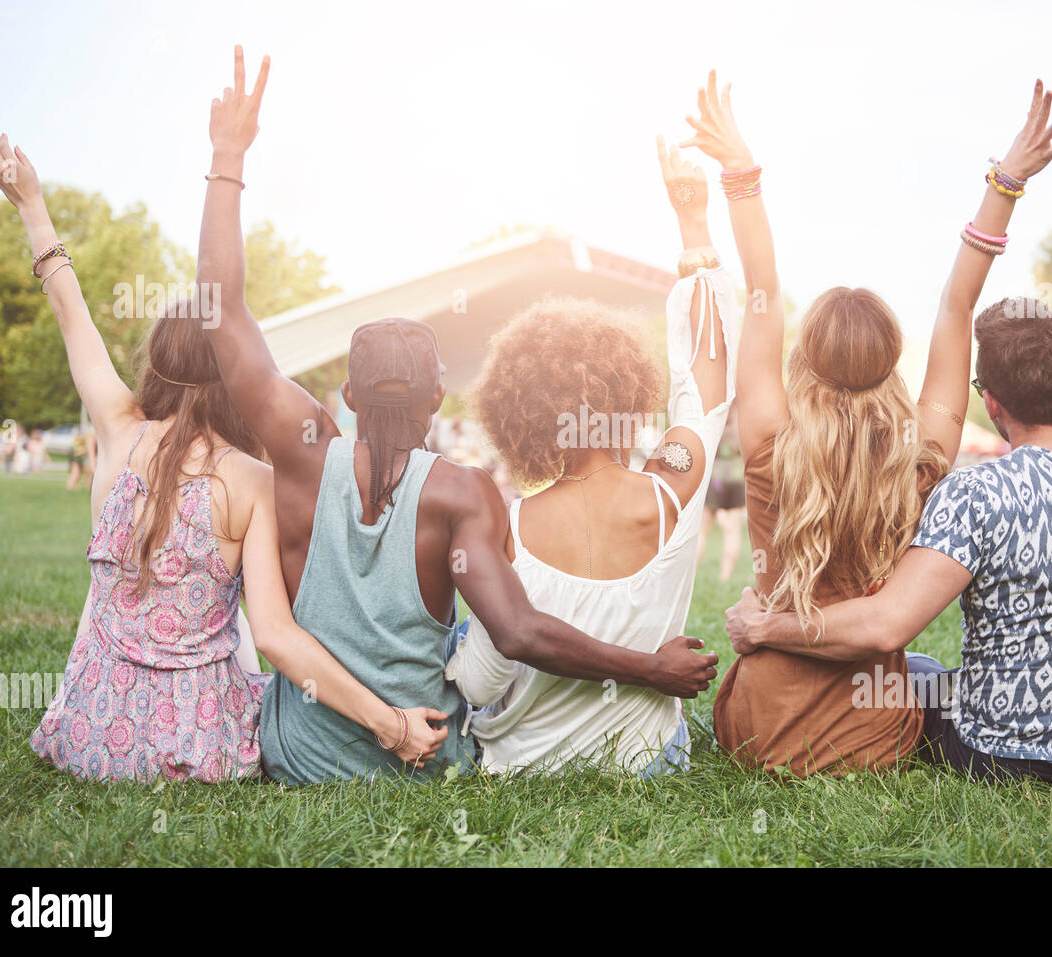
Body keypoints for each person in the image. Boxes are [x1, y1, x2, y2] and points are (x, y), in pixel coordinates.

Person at [196, 47, 718, 786]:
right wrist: (650, 668)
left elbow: (223, 317)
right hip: (417, 755)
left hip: (301, 753)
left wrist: (226, 160)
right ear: (438, 398)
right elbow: (518, 631)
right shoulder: (461, 491)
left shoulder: (304, 444)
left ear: (345, 393)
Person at [726, 143, 1052, 783]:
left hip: (998, 754)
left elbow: (886, 625)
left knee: (921, 675)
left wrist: (766, 625)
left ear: (992, 402)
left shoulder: (975, 496)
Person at [0, 135, 447, 782]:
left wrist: (31, 203)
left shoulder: (119, 430)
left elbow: (71, 313)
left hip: (93, 735)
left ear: (157, 365)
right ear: (235, 380)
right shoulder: (250, 481)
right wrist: (391, 724)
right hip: (197, 747)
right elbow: (275, 636)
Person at [685, 73, 1052, 777]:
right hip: (873, 735)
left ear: (805, 358)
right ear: (892, 360)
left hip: (758, 727)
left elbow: (760, 284)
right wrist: (1004, 183)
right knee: (924, 668)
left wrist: (740, 174)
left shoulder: (769, 437)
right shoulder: (921, 456)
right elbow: (957, 306)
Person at [444, 138, 735, 775]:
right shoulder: (672, 492)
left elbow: (482, 684)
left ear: (521, 416)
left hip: (522, 765)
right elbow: (707, 381)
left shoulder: (510, 529)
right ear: (627, 395)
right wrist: (693, 226)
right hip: (647, 762)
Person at [695, 411, 745, 583]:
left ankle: (691, 574)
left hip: (715, 478)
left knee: (702, 530)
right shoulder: (743, 414)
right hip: (737, 477)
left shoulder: (715, 414)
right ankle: (725, 577)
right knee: (733, 530)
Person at [67, 425, 96, 490]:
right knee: (76, 473)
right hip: (76, 458)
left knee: (87, 474)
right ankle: (70, 488)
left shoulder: (84, 437)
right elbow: (77, 451)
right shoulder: (85, 437)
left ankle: (87, 487)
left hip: (80, 457)